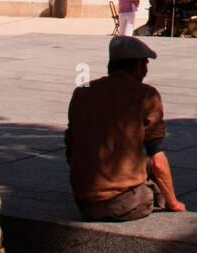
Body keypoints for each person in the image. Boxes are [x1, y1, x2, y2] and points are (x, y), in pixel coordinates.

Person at [64, 35, 186, 221]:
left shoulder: (82, 92)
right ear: (137, 65)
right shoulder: (146, 95)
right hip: (123, 204)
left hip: (84, 202)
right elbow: (157, 160)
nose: (146, 71)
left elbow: (71, 150)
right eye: (145, 64)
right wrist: (173, 202)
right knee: (156, 190)